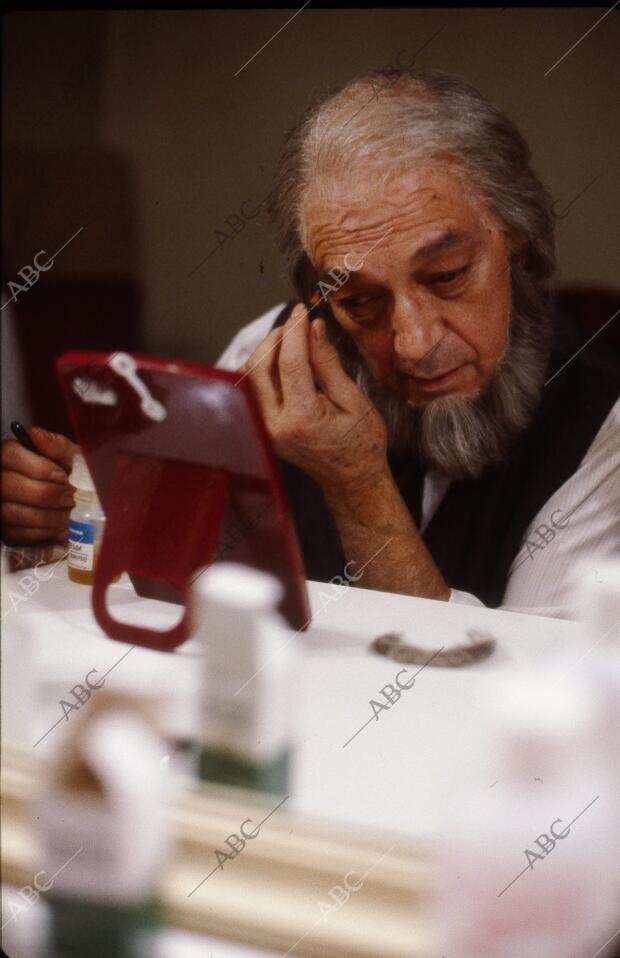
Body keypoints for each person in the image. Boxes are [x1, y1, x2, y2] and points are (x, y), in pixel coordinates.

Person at [2, 68, 618, 619]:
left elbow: (517, 698)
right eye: (359, 302)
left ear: (518, 243)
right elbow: (172, 581)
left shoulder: (600, 428)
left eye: (448, 275)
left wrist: (357, 486)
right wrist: (62, 513)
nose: (413, 342)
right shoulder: (269, 353)